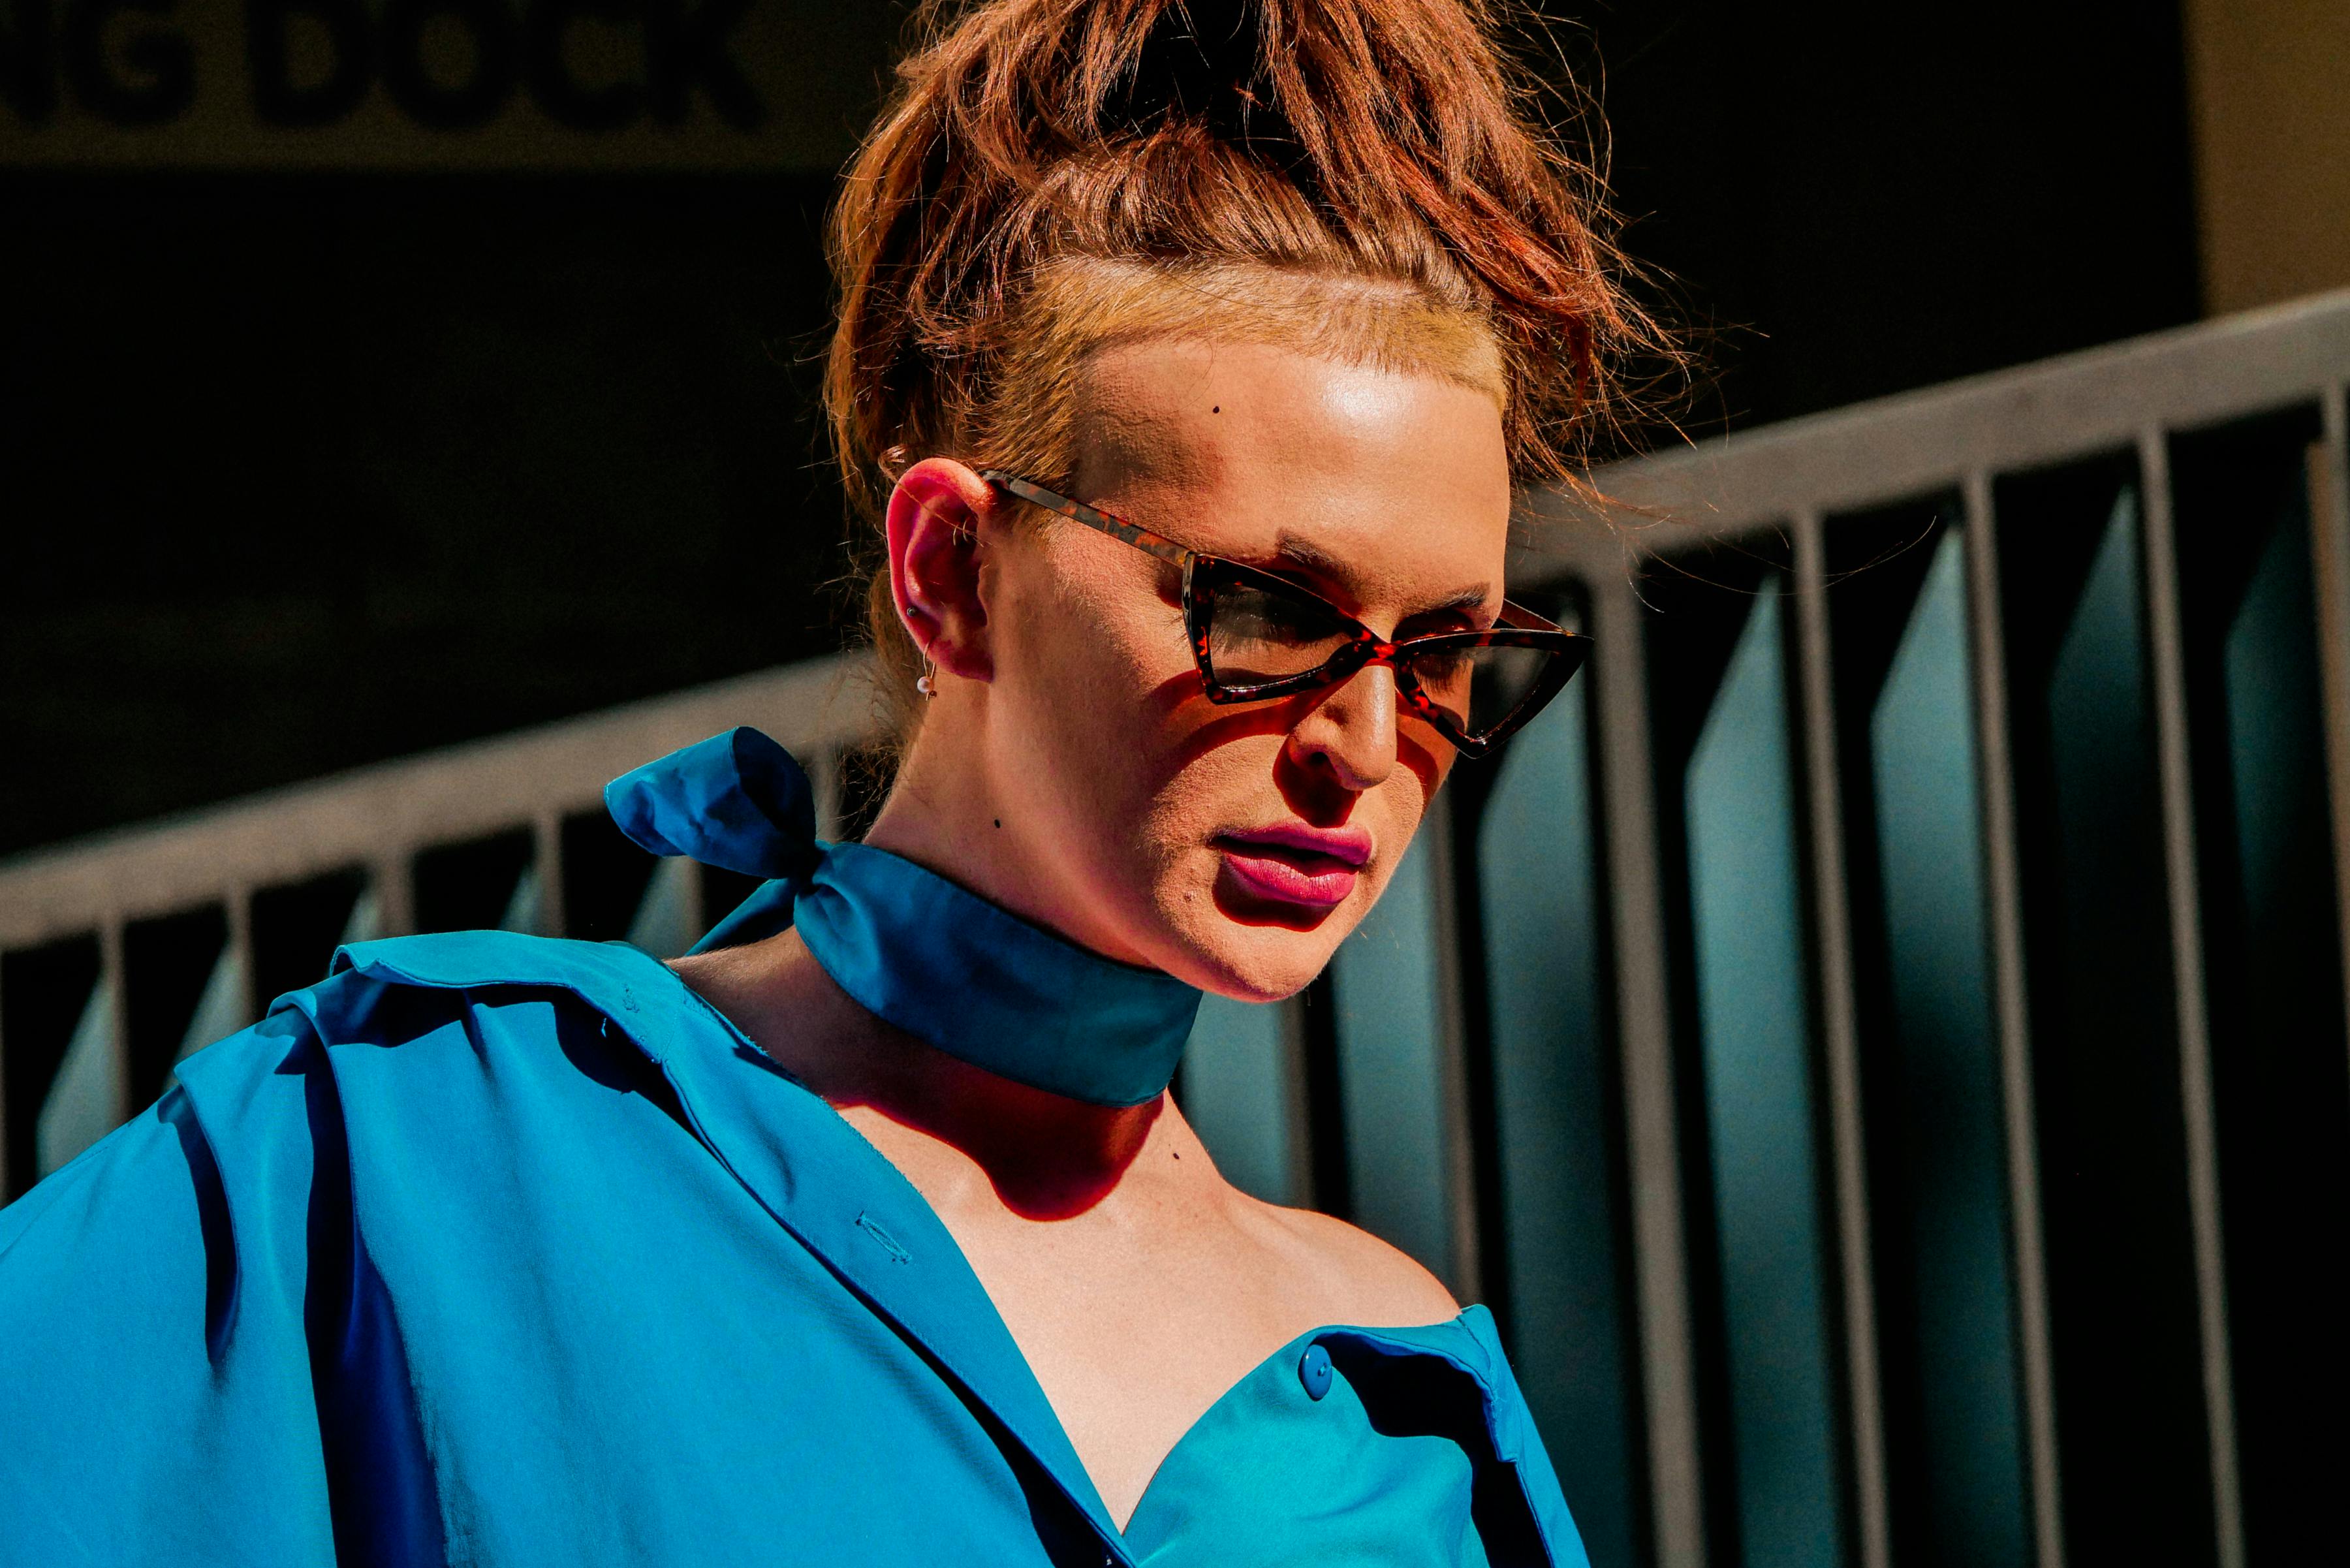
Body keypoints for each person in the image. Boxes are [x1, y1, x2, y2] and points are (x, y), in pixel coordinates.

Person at [0, 1, 1659, 1561]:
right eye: (1267, 610)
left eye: (1443, 650)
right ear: (951, 568)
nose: (1367, 741)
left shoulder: (1411, 1410)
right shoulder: (414, 1155)